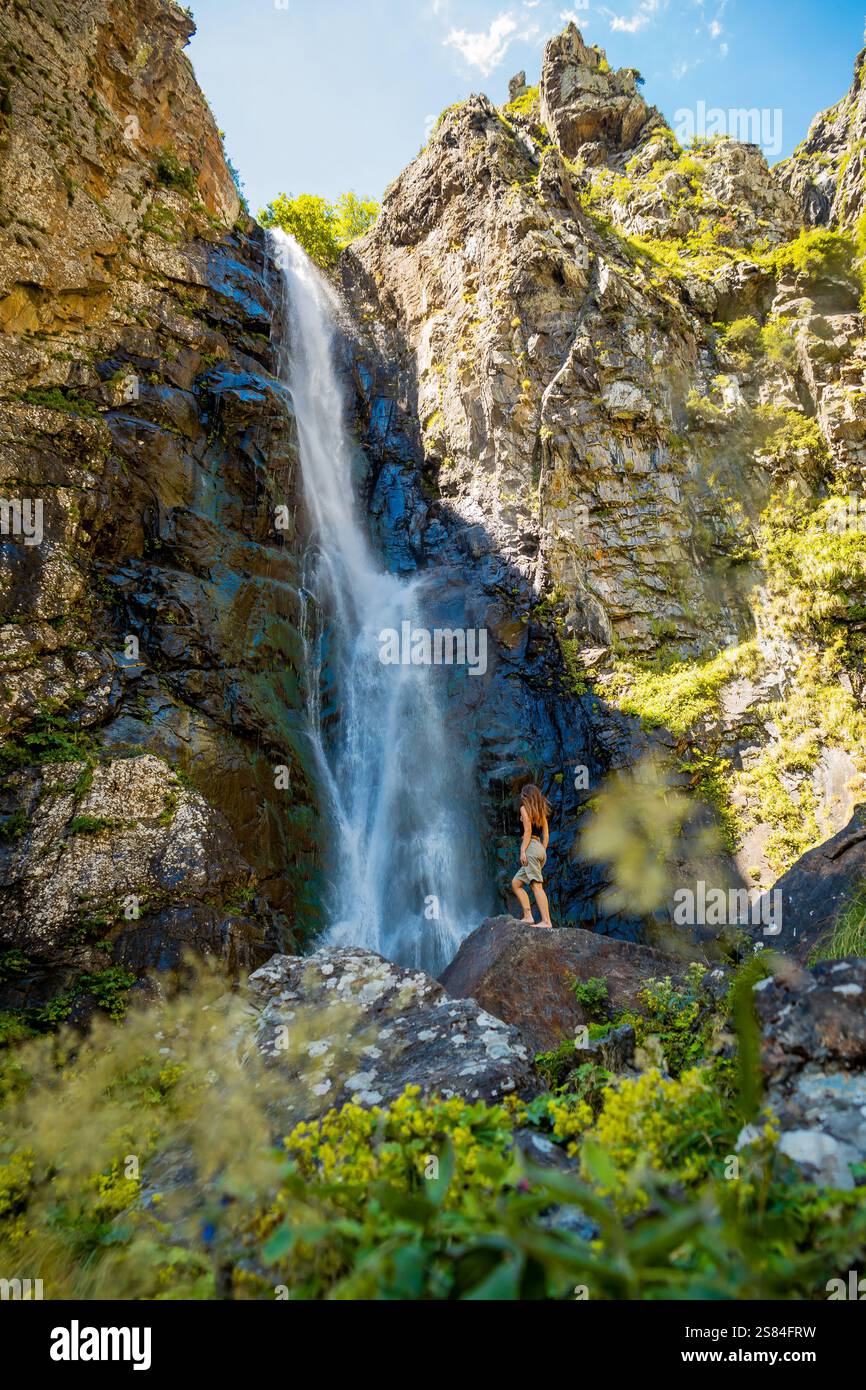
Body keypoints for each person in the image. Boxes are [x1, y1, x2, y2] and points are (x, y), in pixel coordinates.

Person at [511, 783, 553, 928]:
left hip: (531, 849)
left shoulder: (524, 809)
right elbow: (546, 835)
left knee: (536, 886)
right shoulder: (541, 811)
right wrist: (542, 850)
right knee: (516, 883)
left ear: (526, 797)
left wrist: (523, 851)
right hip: (540, 848)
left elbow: (528, 831)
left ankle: (546, 921)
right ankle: (528, 916)